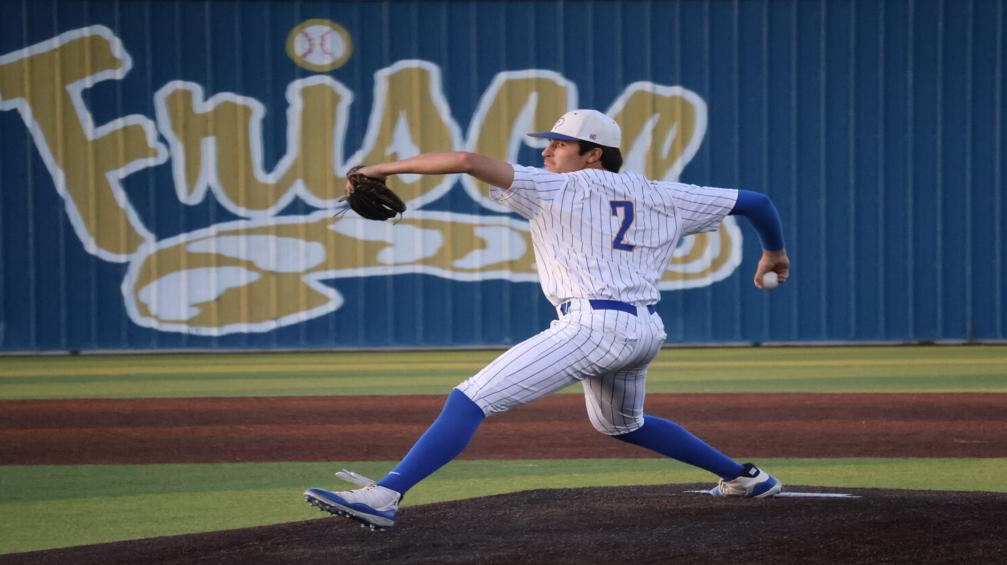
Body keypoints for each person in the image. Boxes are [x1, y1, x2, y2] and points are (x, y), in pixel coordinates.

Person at [304, 109, 790, 531]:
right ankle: (746, 478)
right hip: (642, 329)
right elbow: (758, 202)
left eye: (560, 143)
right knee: (623, 425)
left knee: (470, 398)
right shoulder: (664, 194)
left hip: (592, 326)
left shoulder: (555, 188)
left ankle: (383, 497)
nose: (548, 151)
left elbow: (467, 161)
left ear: (594, 153)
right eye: (548, 142)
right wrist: (774, 252)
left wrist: (378, 168)